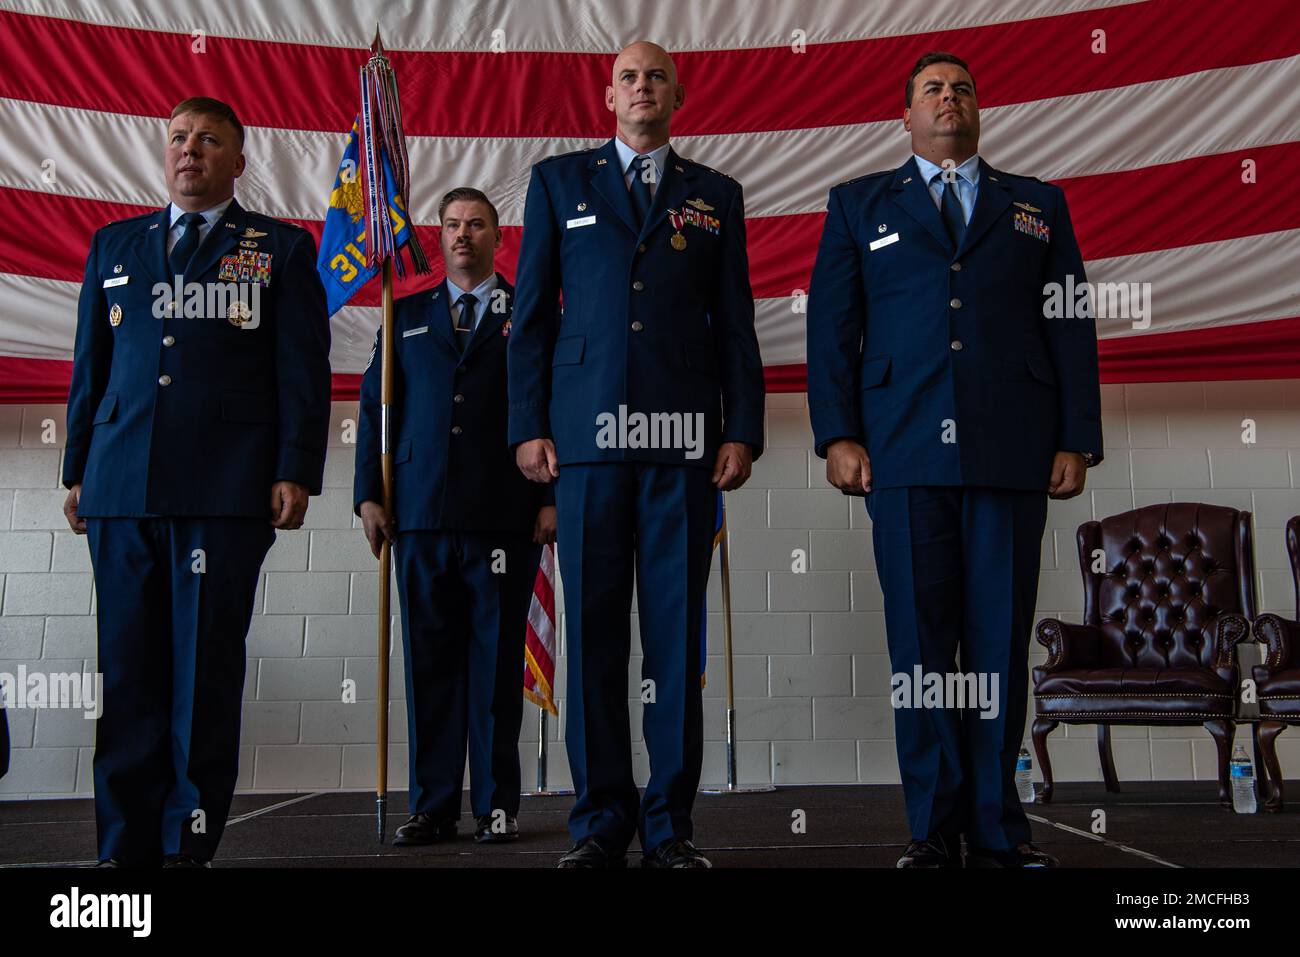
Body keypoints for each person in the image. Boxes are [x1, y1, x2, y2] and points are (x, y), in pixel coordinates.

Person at [806, 52, 1102, 868]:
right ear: (906, 116)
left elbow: (1070, 321)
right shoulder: (858, 204)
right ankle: (932, 829)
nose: (950, 99)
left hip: (1011, 452)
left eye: (963, 88)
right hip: (901, 453)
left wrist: (1076, 436)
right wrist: (838, 433)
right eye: (933, 89)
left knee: (997, 645)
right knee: (923, 647)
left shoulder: (1037, 205)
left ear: (981, 109)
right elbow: (833, 328)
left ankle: (998, 828)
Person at [509, 41, 765, 868]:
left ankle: (670, 825)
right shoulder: (558, 184)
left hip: (684, 442)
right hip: (585, 444)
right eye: (629, 76)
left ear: (677, 94)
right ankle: (599, 823)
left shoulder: (714, 195)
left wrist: (742, 428)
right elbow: (532, 319)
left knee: (673, 637)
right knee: (592, 637)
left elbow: (736, 323)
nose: (642, 86)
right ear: (608, 94)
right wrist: (528, 424)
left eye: (656, 75)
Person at [62, 97, 331, 867]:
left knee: (202, 676)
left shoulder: (278, 249)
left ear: (238, 161)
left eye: (209, 140)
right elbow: (92, 369)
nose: (190, 150)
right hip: (120, 486)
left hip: (225, 490)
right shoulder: (114, 246)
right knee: (129, 675)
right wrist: (77, 467)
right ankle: (124, 849)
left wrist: (294, 469)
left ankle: (187, 846)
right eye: (179, 137)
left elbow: (301, 371)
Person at [355, 187, 555, 846]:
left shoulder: (528, 311)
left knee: (496, 669)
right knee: (429, 667)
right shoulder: (402, 313)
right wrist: (369, 494)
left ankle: (498, 805)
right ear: (437, 236)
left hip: (506, 515)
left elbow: (554, 405)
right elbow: (376, 414)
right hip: (420, 513)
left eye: (476, 224)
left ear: (499, 239)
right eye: (451, 224)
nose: (462, 234)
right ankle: (433, 805)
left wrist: (552, 498)